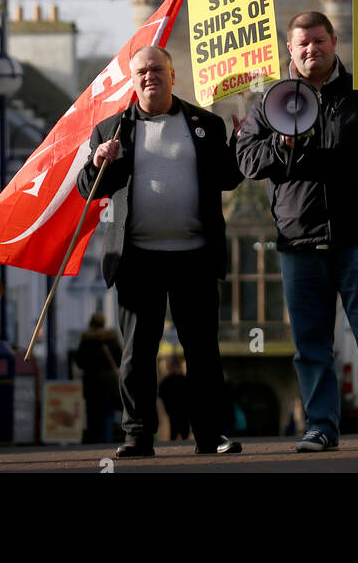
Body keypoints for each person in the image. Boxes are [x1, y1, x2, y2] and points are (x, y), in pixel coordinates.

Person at [236, 10, 358, 452]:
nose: (312, 50)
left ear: (335, 41)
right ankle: (321, 426)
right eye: (303, 43)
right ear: (290, 48)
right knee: (311, 346)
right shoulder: (267, 101)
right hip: (299, 243)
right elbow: (246, 162)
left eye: (320, 41)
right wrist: (281, 142)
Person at [77, 44, 244, 458]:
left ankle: (211, 435)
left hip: (194, 255)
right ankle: (137, 435)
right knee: (137, 353)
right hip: (137, 258)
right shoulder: (113, 130)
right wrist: (98, 163)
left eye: (157, 69)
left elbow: (227, 178)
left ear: (173, 75)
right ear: (132, 82)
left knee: (203, 351)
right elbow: (87, 190)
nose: (149, 77)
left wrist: (239, 143)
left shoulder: (205, 124)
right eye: (141, 72)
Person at [75, 311, 122, 444]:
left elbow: (80, 361)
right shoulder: (112, 339)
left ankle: (95, 440)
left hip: (92, 381)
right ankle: (107, 439)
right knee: (108, 411)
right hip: (109, 382)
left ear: (91, 323)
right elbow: (120, 359)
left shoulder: (86, 340)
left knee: (92, 412)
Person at [157, 356, 189, 441]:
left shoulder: (165, 382)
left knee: (174, 432)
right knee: (183, 432)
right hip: (183, 411)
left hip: (173, 411)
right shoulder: (184, 379)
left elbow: (160, 397)